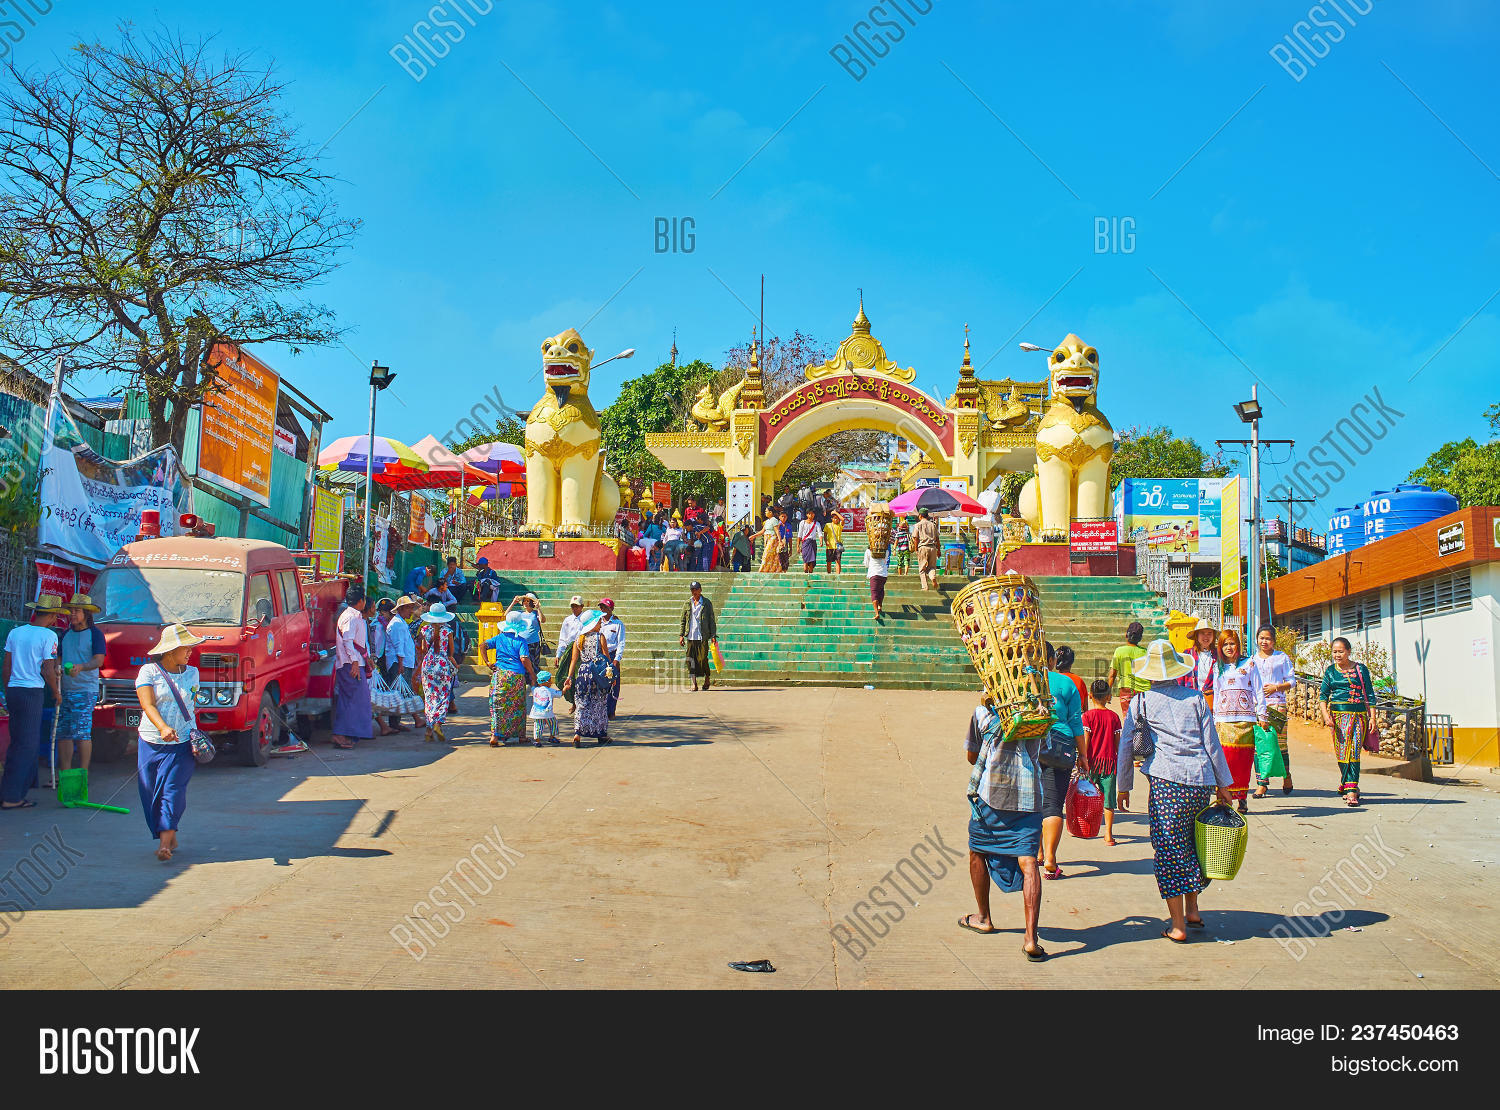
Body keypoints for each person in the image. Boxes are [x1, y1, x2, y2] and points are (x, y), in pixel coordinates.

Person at [1116, 639, 1233, 943]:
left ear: (1150, 672)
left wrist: (1123, 785)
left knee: (1169, 849)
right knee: (1194, 842)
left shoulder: (1141, 702)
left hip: (1166, 782)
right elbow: (1212, 744)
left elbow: (1127, 745)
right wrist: (1224, 785)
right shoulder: (1195, 698)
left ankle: (1178, 925)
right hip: (1199, 782)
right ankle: (1193, 908)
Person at [959, 693, 1047, 961]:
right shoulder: (1041, 712)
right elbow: (1042, 750)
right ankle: (1031, 939)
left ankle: (983, 917)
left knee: (977, 851)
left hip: (990, 797)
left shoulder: (983, 713)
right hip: (1028, 797)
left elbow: (972, 756)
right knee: (1029, 863)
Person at [134, 623, 207, 861]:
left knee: (172, 791)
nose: (190, 652)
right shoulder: (148, 672)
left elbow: (192, 703)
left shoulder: (193, 673)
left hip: (183, 743)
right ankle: (169, 833)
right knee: (149, 792)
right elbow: (147, 704)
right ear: (170, 650)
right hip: (151, 741)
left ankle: (164, 844)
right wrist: (163, 727)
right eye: (185, 648)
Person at [1, 594, 63, 809]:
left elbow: (6, 667)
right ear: (54, 616)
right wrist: (56, 693)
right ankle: (12, 797)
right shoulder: (49, 635)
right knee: (26, 745)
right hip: (31, 692)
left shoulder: (15, 632)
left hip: (14, 691)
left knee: (17, 742)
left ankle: (11, 791)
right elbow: (48, 669)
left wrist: (8, 692)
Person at [1039, 641, 1086, 879]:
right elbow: (1076, 722)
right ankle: (1050, 859)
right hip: (1061, 746)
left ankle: (1037, 852)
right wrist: (1083, 756)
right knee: (1053, 804)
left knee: (1035, 801)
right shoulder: (1066, 683)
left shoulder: (1023, 681)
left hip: (1030, 743)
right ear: (1051, 660)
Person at [1211, 628, 1267, 814]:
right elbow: (1217, 694)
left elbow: (1258, 690)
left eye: (1232, 643)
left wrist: (1263, 715)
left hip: (1246, 720)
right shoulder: (1217, 667)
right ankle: (1224, 798)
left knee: (1243, 762)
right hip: (1225, 721)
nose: (1229, 647)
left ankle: (1242, 798)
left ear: (1238, 645)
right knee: (1225, 761)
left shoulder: (1249, 664)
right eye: (1225, 644)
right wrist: (1215, 719)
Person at [1319, 636, 1376, 807]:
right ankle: (1346, 782)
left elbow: (1370, 695)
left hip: (1358, 717)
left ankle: (1351, 790)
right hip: (1337, 718)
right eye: (1334, 652)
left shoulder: (1361, 669)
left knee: (1354, 750)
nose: (1337, 655)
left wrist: (1373, 717)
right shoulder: (1330, 671)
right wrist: (1325, 716)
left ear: (1349, 651)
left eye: (1340, 651)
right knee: (1342, 752)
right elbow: (1323, 696)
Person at [57, 592, 106, 773]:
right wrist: (57, 667)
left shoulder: (95, 634)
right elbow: (59, 658)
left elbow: (98, 661)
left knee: (82, 733)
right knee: (64, 734)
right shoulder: (66, 634)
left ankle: (83, 774)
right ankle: (65, 774)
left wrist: (81, 667)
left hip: (85, 690)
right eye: (71, 611)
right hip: (65, 690)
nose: (72, 615)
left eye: (77, 611)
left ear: (87, 614)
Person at [1252, 624, 1296, 798]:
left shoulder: (1281, 658)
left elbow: (1291, 681)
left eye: (1268, 638)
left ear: (1274, 641)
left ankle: (1287, 777)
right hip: (1257, 707)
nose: (1264, 641)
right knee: (1260, 745)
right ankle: (1262, 783)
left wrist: (1276, 687)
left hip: (1277, 705)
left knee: (1280, 744)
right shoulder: (1252, 660)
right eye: (1261, 638)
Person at [331, 586, 374, 750]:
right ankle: (340, 733)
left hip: (354, 663)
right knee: (351, 700)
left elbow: (358, 642)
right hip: (350, 665)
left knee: (357, 700)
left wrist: (365, 658)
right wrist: (355, 662)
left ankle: (349, 733)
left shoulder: (355, 616)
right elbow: (348, 642)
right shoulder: (350, 617)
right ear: (361, 601)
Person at [483, 615, 535, 746]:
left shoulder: (499, 638)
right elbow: (524, 659)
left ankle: (495, 735)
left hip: (499, 675)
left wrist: (488, 662)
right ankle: (521, 736)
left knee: (498, 705)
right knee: (518, 705)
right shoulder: (521, 641)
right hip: (516, 676)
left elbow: (482, 645)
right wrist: (532, 673)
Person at [1082, 679, 1123, 845]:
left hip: (1091, 763)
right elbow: (1117, 743)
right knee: (1109, 799)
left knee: (1087, 796)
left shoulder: (1087, 716)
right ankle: (1108, 833)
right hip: (1109, 763)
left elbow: (1085, 740)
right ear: (1108, 696)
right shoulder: (1114, 717)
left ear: (1090, 696)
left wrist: (1082, 758)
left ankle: (1087, 827)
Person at [563, 609, 612, 745]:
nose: (601, 623)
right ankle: (600, 734)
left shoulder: (578, 639)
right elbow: (607, 657)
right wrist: (610, 675)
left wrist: (569, 677)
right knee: (599, 704)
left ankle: (577, 734)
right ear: (593, 623)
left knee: (581, 704)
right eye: (598, 621)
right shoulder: (600, 637)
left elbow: (573, 660)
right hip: (597, 674)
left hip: (583, 673)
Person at [415, 601, 459, 743]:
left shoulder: (425, 630)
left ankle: (428, 729)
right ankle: (438, 724)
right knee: (443, 696)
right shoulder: (448, 631)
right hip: (442, 664)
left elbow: (422, 650)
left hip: (428, 664)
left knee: (429, 697)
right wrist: (454, 662)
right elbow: (451, 652)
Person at [383, 594, 422, 731]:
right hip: (399, 664)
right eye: (410, 608)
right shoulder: (398, 624)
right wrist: (400, 664)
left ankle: (399, 721)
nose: (411, 611)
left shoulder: (400, 623)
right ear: (402, 609)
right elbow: (398, 646)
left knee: (402, 692)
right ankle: (410, 720)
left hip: (403, 663)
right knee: (401, 693)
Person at [679, 581, 718, 692]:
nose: (694, 592)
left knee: (702, 659)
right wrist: (681, 635)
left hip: (702, 636)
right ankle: (694, 684)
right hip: (691, 636)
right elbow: (683, 620)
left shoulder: (706, 603)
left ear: (700, 590)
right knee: (690, 660)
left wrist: (713, 635)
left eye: (696, 589)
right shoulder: (687, 603)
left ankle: (707, 678)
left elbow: (711, 620)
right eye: (692, 590)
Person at [1107, 620, 1149, 718]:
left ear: (1126, 635)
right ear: (1140, 638)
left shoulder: (1119, 651)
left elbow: (1112, 675)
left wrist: (1108, 692)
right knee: (1144, 719)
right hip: (1145, 691)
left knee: (1128, 719)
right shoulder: (1146, 652)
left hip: (1126, 690)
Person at [367, 599, 394, 736]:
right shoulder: (377, 626)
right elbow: (376, 649)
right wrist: (375, 664)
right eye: (390, 612)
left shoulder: (381, 625)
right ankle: (382, 726)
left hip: (377, 663)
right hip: (376, 664)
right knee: (375, 696)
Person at [554, 595, 585, 706]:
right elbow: (563, 638)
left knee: (579, 677)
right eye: (572, 606)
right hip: (569, 650)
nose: (574, 609)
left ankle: (580, 702)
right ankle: (573, 702)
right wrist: (558, 654)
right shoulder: (568, 620)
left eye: (577, 606)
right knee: (564, 676)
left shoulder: (586, 620)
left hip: (582, 650)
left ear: (582, 606)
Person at [1181, 617, 1218, 709]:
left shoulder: (1218, 655)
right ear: (1196, 636)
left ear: (1213, 636)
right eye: (1202, 633)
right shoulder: (1188, 654)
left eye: (1209, 633)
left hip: (1212, 702)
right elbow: (1180, 680)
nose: (1206, 637)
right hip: (1190, 701)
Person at [599, 598, 626, 718]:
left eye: (606, 607)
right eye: (602, 607)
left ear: (611, 609)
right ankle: (601, 710)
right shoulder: (597, 622)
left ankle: (611, 710)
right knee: (600, 682)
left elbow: (621, 642)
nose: (603, 610)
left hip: (612, 654)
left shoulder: (618, 624)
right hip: (600, 655)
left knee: (614, 683)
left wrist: (617, 659)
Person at [505, 593, 546, 672]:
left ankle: (533, 681)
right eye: (524, 601)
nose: (525, 603)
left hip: (534, 642)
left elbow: (543, 620)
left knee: (533, 664)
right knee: (522, 663)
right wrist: (513, 603)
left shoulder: (535, 613)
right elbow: (506, 615)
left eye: (528, 601)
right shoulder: (520, 613)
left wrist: (538, 609)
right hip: (521, 643)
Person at [528, 670, 563, 747]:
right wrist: (566, 688)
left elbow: (533, 685)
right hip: (548, 713)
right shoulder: (550, 691)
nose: (551, 682)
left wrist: (533, 680)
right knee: (553, 723)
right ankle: (552, 737)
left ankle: (537, 741)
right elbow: (560, 694)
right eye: (550, 680)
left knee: (538, 726)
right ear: (547, 682)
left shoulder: (535, 690)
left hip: (537, 713)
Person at [911, 509, 940, 590]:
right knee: (932, 567)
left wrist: (916, 549)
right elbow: (937, 539)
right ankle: (932, 577)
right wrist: (939, 550)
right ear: (927, 516)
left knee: (922, 569)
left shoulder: (917, 525)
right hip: (932, 547)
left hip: (923, 547)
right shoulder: (932, 525)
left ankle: (925, 586)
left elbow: (915, 538)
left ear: (920, 515)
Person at [863, 538, 889, 621]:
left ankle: (876, 612)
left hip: (874, 573)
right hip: (883, 574)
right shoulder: (885, 551)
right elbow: (886, 560)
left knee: (874, 592)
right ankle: (880, 606)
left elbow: (866, 563)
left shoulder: (868, 551)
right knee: (881, 590)